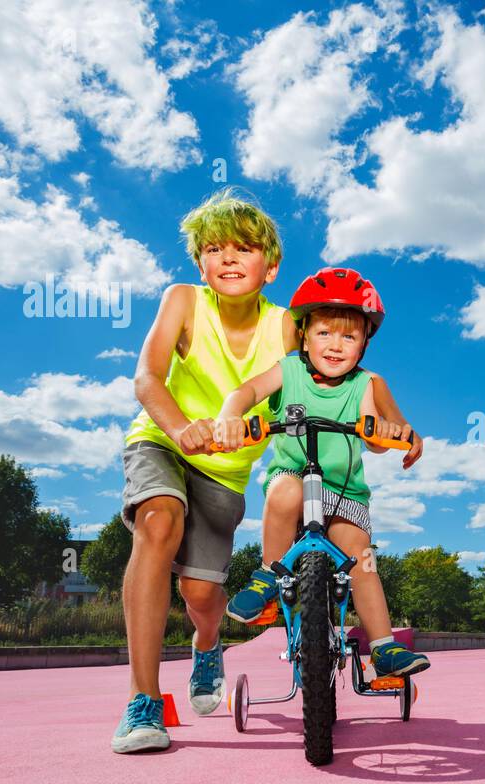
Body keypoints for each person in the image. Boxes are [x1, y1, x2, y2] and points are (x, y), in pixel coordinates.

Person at [110, 187, 298, 755]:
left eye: (245, 247)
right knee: (157, 523)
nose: (229, 257)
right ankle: (142, 700)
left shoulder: (287, 325)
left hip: (226, 473)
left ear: (271, 266)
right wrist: (180, 427)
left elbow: (292, 405)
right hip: (162, 440)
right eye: (215, 248)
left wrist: (256, 433)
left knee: (198, 590)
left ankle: (207, 642)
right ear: (200, 263)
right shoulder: (183, 301)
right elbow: (147, 379)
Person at [213, 267, 430, 680]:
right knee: (286, 491)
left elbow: (379, 436)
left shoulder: (365, 384)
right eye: (325, 333)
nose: (335, 345)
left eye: (349, 337)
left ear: (364, 343)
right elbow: (247, 392)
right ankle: (268, 577)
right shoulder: (288, 370)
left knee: (359, 556)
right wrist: (229, 415)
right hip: (294, 478)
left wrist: (387, 431)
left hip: (345, 492)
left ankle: (382, 647)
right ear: (305, 335)